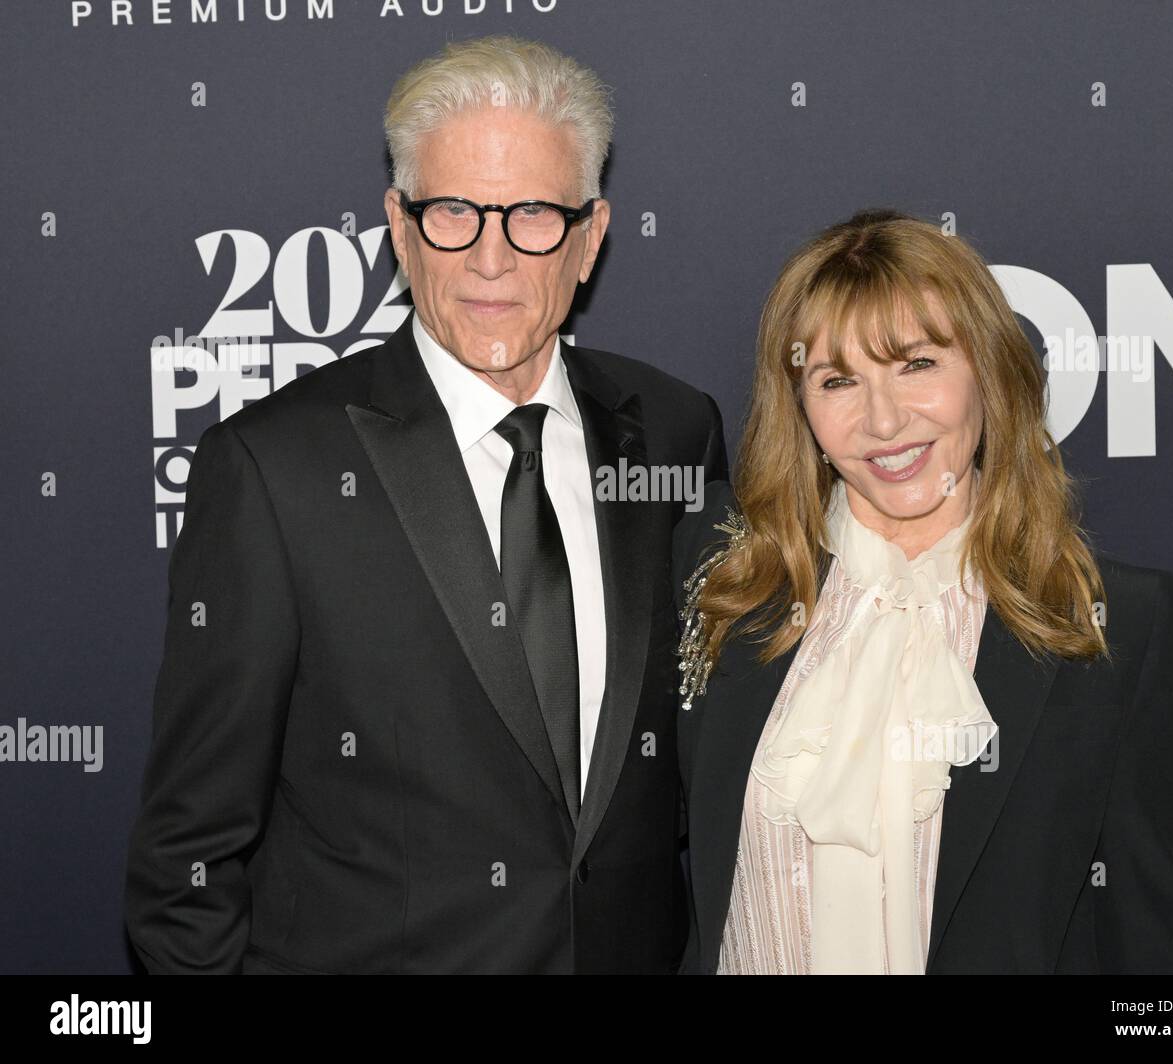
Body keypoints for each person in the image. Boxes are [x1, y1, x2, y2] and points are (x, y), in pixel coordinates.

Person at [124, 35, 726, 974]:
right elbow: (187, 864)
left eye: (532, 213)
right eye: (453, 212)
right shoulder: (274, 469)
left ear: (591, 236)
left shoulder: (678, 432)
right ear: (400, 230)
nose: (490, 258)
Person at [672, 209, 1173, 974]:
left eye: (917, 365)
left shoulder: (1115, 626)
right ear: (801, 407)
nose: (883, 421)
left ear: (988, 372)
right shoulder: (725, 583)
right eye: (838, 380)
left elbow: (1148, 942)